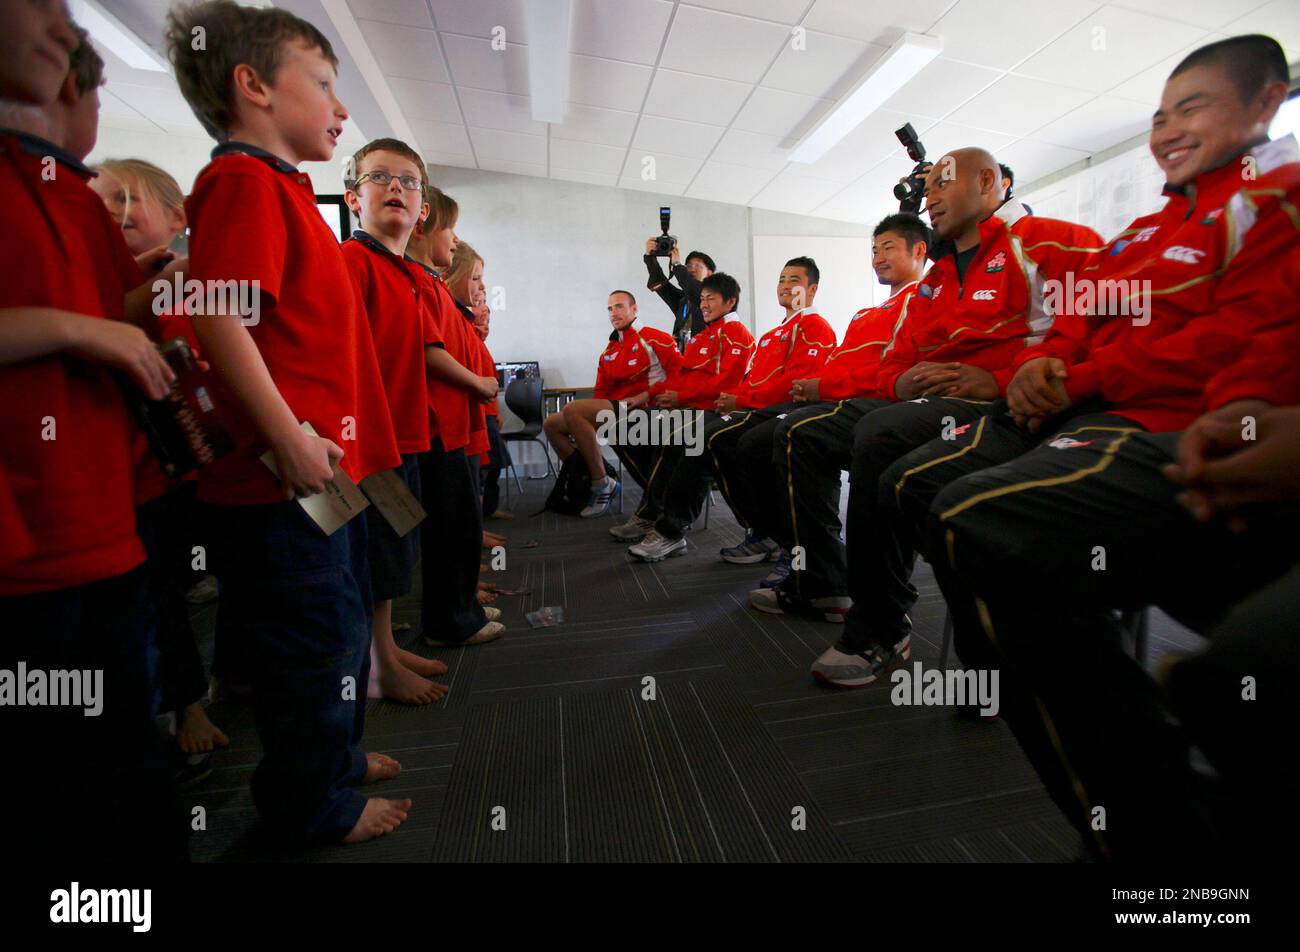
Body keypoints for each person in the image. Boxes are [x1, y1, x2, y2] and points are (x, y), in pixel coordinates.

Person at [923, 34, 1299, 861]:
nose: (1167, 128)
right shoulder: (1137, 234)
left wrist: (1084, 374)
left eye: (1191, 107)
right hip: (1087, 414)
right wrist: (1040, 365)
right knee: (939, 496)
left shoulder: (1276, 196)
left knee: (978, 519)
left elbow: (1243, 336)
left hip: (1158, 423)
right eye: (1159, 114)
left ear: (1268, 102)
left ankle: (1150, 842)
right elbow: (1066, 323)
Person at [166, 0, 408, 844]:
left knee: (337, 622)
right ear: (254, 87)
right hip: (285, 476)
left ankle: (332, 764)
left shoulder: (283, 191)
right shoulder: (239, 181)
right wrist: (284, 437)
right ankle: (310, 804)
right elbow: (218, 317)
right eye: (325, 84)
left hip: (317, 471)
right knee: (310, 642)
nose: (341, 108)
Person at [796, 146, 1103, 687]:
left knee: (885, 443)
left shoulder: (1051, 242)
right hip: (939, 404)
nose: (930, 197)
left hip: (1021, 411)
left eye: (942, 183)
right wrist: (901, 380)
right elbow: (896, 361)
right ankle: (856, 600)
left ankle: (889, 625)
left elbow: (1091, 340)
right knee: (827, 433)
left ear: (989, 182)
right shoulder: (936, 279)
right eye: (928, 186)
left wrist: (1000, 381)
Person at [0, 3, 185, 860]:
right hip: (25, 554)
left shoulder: (66, 193)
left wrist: (145, 295)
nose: (58, 26)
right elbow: (87, 327)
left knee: (122, 760)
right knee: (56, 782)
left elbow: (113, 319)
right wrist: (77, 330)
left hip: (102, 523)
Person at [90, 158, 231, 777]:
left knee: (177, 589)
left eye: (126, 200)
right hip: (117, 475)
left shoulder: (182, 282)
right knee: (151, 601)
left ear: (176, 218)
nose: (111, 212)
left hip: (171, 473)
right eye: (101, 201)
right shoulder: (111, 280)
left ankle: (196, 697)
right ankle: (185, 700)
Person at [743, 213, 930, 620]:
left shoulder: (921, 299)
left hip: (883, 410)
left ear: (919, 251)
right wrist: (822, 385)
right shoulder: (865, 314)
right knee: (757, 444)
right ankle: (806, 560)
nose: (878, 257)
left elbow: (896, 374)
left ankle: (824, 579)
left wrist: (824, 387)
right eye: (874, 250)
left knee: (793, 434)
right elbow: (839, 367)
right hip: (842, 403)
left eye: (888, 248)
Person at [628, 259, 836, 562]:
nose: (785, 285)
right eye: (781, 279)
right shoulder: (766, 335)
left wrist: (738, 401)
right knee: (633, 430)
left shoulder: (807, 327)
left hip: (764, 412)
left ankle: (673, 525)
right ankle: (655, 513)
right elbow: (747, 382)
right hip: (732, 409)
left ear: (812, 289)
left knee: (694, 440)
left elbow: (794, 385)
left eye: (794, 279)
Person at [342, 137, 451, 706]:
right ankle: (375, 666)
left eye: (409, 182)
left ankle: (383, 648)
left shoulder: (407, 272)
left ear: (423, 208)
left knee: (392, 550)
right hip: (364, 443)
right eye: (378, 178)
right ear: (352, 197)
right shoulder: (351, 262)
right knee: (373, 556)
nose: (395, 189)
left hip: (402, 435)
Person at [405, 187, 506, 646]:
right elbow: (430, 354)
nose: (454, 238)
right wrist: (479, 385)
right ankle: (450, 623)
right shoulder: (419, 282)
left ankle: (460, 609)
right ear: (424, 228)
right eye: (451, 228)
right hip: (440, 428)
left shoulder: (429, 285)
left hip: (456, 426)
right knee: (450, 530)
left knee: (460, 525)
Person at [607, 272, 755, 543]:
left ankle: (658, 516)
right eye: (701, 299)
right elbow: (679, 377)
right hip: (686, 409)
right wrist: (654, 395)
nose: (704, 305)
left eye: (711, 298)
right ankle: (656, 502)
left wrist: (680, 398)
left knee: (675, 439)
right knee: (620, 428)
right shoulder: (701, 337)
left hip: (713, 411)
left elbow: (726, 386)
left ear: (730, 301)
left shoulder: (737, 335)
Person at [543, 290, 680, 517]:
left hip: (647, 411)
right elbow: (601, 392)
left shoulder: (654, 337)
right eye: (609, 308)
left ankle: (601, 485)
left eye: (619, 306)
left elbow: (680, 375)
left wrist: (646, 395)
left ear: (634, 309)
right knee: (552, 424)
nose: (613, 312)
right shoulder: (610, 349)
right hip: (616, 410)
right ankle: (593, 474)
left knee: (573, 409)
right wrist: (588, 422)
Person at [471, 299, 511, 519]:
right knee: (483, 467)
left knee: (494, 463)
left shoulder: (481, 343)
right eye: (480, 303)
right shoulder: (469, 336)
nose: (486, 310)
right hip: (479, 414)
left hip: (488, 413)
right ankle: (481, 513)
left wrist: (496, 412)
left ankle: (488, 509)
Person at [644, 237, 714, 350]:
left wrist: (676, 264)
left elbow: (693, 289)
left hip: (704, 360)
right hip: (682, 359)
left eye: (697, 266)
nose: (691, 270)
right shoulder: (684, 299)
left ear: (710, 273)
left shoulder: (714, 299)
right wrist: (650, 257)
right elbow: (661, 285)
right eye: (689, 266)